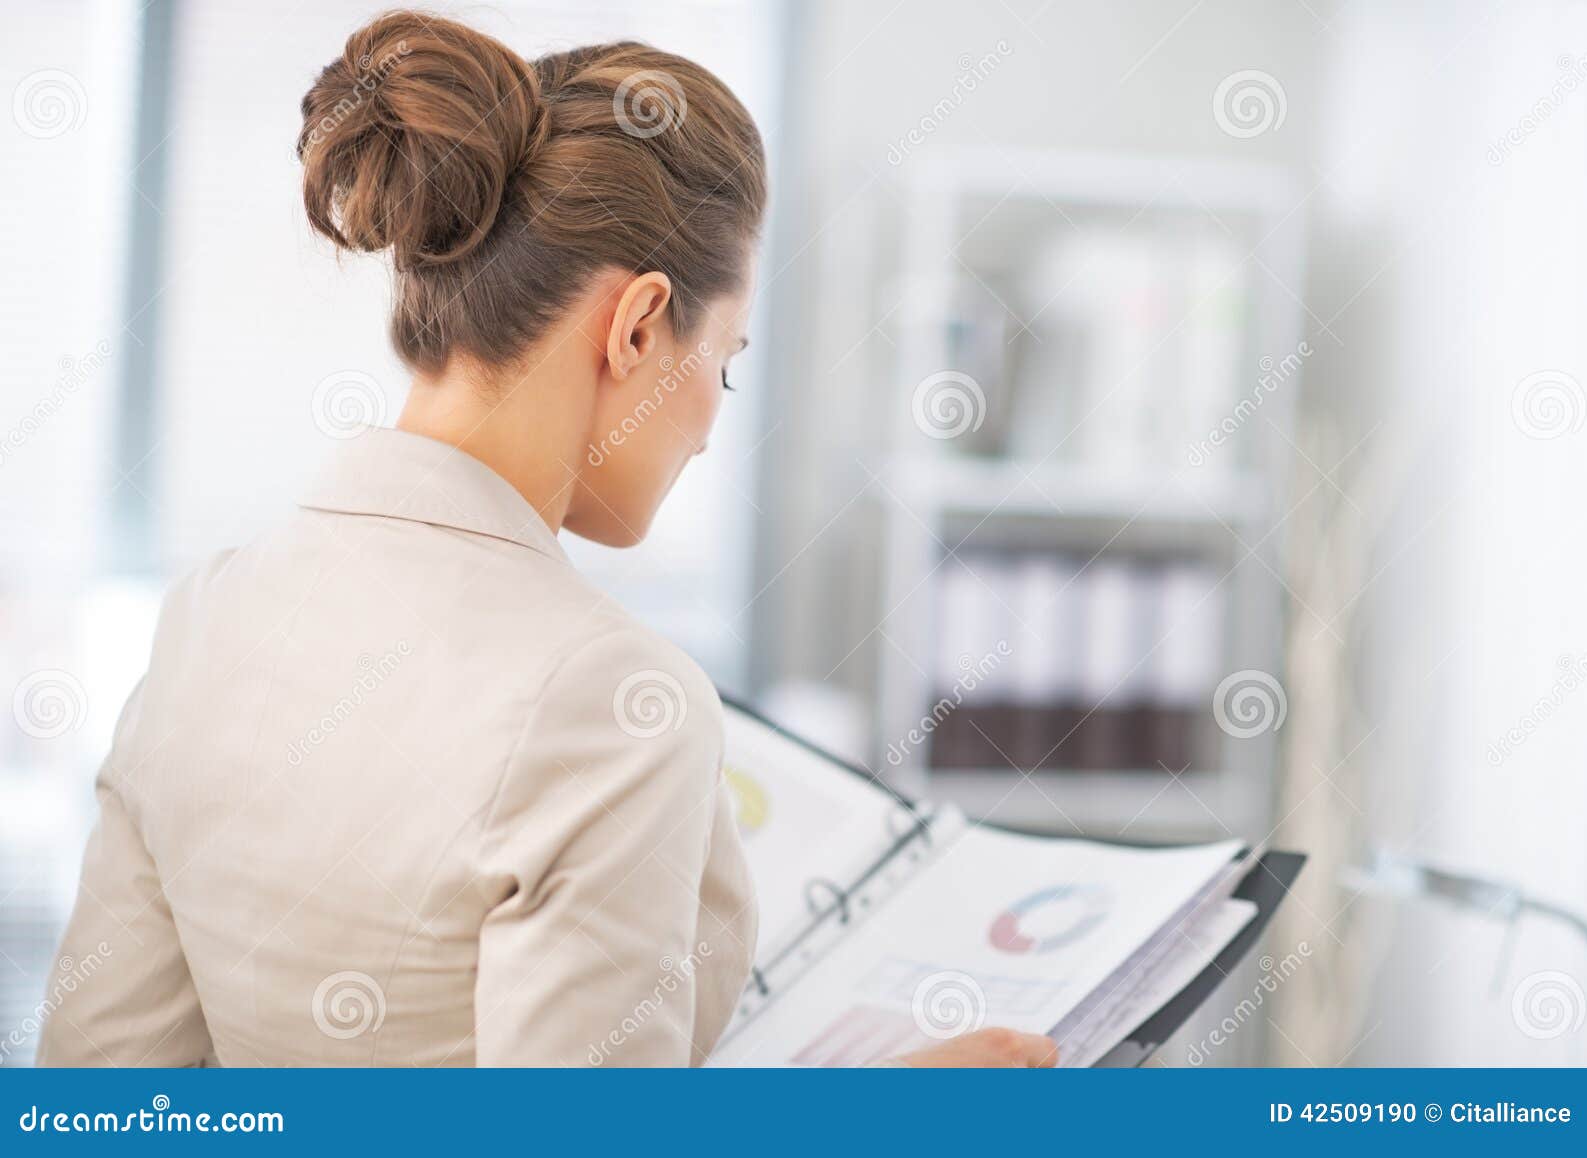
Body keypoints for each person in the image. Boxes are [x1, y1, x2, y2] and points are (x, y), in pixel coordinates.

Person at [39, 10, 1056, 1069]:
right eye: (727, 359)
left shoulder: (208, 616)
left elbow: (103, 1094)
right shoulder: (611, 701)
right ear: (636, 327)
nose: (712, 421)